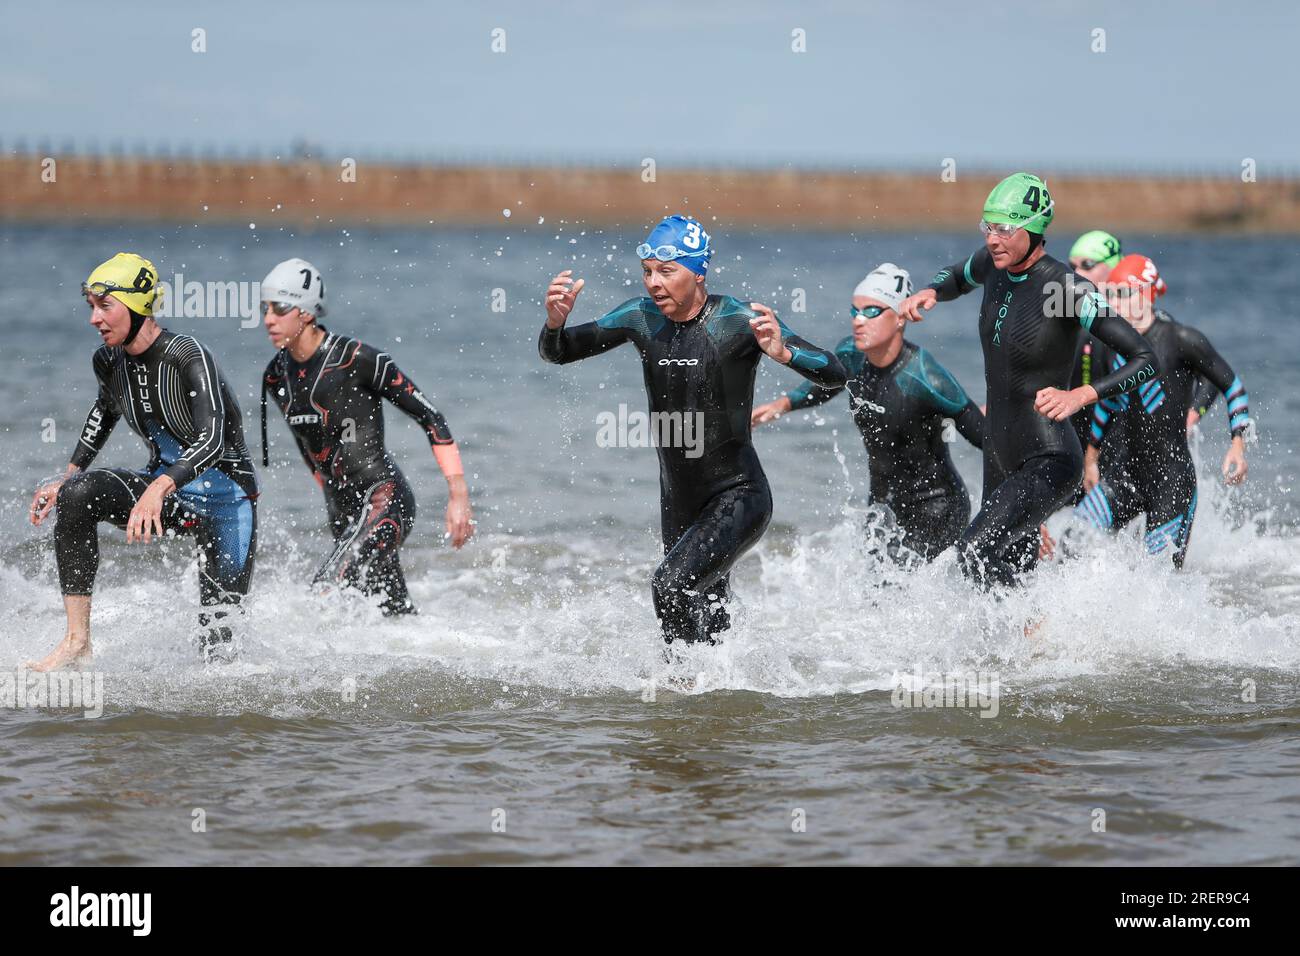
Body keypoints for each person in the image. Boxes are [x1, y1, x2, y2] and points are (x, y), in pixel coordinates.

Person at [539, 215, 847, 645]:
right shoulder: (640, 316)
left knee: (669, 588)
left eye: (667, 271)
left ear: (698, 271)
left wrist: (784, 352)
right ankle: (720, 705)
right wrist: (555, 323)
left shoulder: (739, 319)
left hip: (739, 494)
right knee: (708, 619)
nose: (654, 283)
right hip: (679, 501)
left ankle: (680, 695)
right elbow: (558, 354)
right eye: (647, 271)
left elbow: (836, 372)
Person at [898, 173, 1159, 589]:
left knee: (973, 553)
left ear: (1034, 229)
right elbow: (957, 276)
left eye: (1005, 228)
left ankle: (1042, 630)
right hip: (1000, 452)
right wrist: (930, 291)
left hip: (1049, 457)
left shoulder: (1067, 289)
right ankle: (1035, 648)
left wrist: (1082, 394)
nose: (993, 238)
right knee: (1001, 579)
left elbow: (1146, 359)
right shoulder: (993, 264)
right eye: (988, 226)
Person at [28, 253, 258, 669]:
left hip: (227, 506)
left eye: (105, 306)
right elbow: (103, 415)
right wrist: (66, 478)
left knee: (219, 658)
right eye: (91, 307)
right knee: (78, 496)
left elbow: (215, 438)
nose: (94, 319)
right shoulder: (108, 361)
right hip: (168, 494)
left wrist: (157, 488)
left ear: (138, 306)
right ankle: (77, 640)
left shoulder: (188, 356)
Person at [260, 258, 473, 616]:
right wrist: (330, 493)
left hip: (384, 500)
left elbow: (431, 417)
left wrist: (458, 494)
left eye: (280, 308)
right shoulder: (275, 377)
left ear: (307, 312)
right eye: (265, 308)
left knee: (327, 590)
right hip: (342, 511)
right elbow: (307, 444)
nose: (268, 319)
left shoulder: (358, 359)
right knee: (392, 613)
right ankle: (434, 658)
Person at [752, 262, 984, 563]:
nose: (858, 320)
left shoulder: (926, 378)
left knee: (900, 595)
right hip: (882, 508)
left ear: (900, 317)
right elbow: (829, 384)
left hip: (937, 507)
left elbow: (989, 441)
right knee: (872, 598)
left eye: (872, 311)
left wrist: (1023, 515)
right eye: (854, 311)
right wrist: (783, 405)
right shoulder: (850, 355)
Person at [1073, 254, 1250, 567]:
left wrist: (1237, 444)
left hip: (1172, 483)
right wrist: (1091, 459)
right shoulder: (1115, 344)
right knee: (1073, 543)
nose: (1113, 302)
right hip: (1125, 476)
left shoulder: (1181, 339)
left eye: (1122, 294)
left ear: (1145, 294)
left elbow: (1233, 387)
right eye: (1109, 294)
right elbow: (1110, 403)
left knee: (1159, 578)